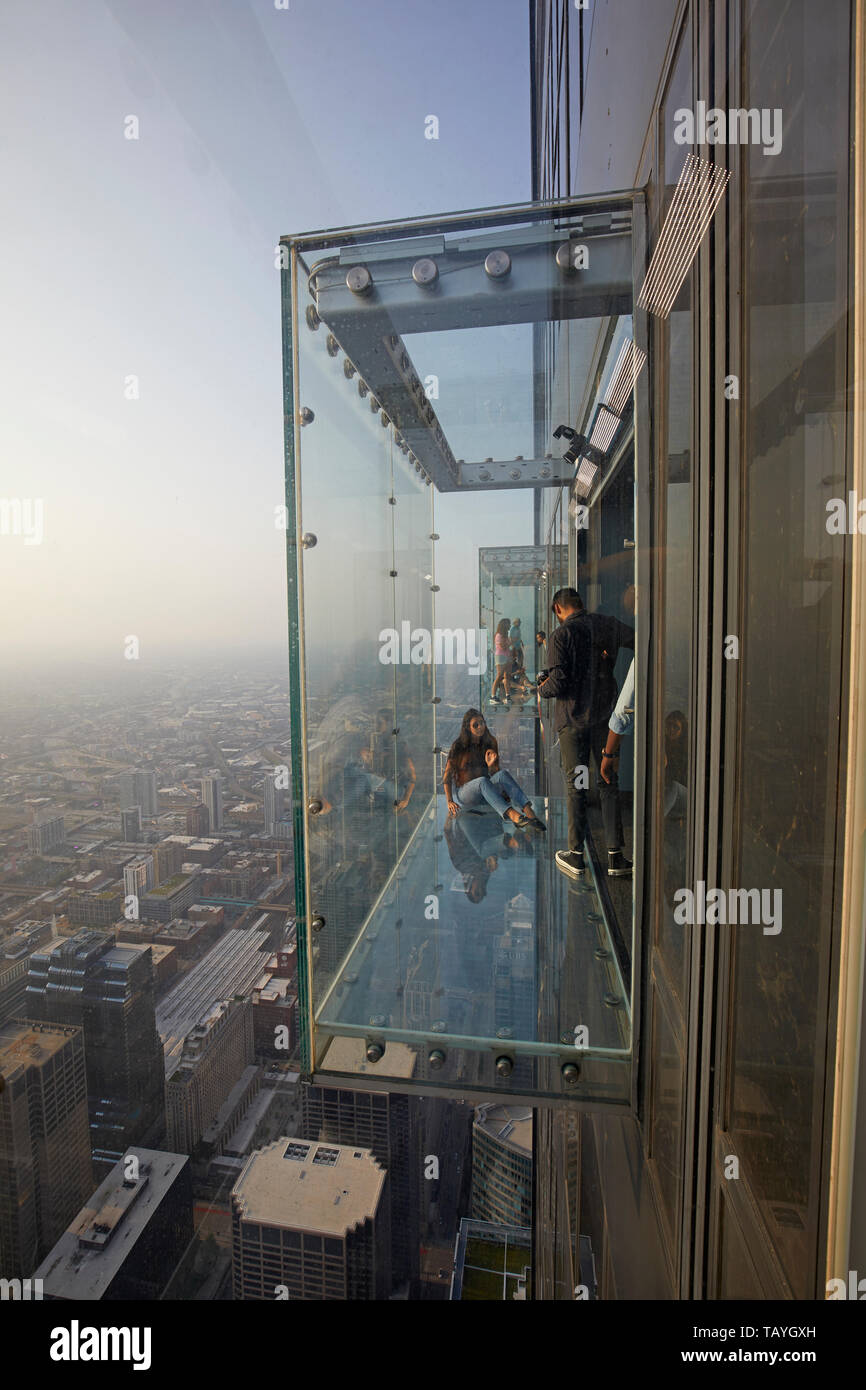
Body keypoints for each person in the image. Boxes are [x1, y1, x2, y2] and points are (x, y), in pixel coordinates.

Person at [537, 587, 633, 879]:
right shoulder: (607, 624)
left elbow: (560, 683)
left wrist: (541, 686)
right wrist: (609, 658)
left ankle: (576, 854)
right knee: (607, 781)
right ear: (580, 604)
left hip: (574, 723)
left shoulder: (561, 636)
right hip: (604, 720)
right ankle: (616, 856)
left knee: (576, 784)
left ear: (557, 609)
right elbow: (638, 641)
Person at [443, 709, 545, 829]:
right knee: (482, 781)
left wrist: (491, 765)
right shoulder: (458, 746)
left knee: (502, 774)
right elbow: (447, 776)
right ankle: (512, 815)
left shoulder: (490, 742)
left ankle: (530, 813)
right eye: (476, 725)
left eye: (482, 723)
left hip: (486, 789)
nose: (480, 727)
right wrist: (449, 800)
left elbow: (494, 774)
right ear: (467, 728)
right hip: (465, 793)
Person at [490, 620, 511, 704]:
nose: (509, 626)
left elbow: (507, 645)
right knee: (499, 676)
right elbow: (503, 646)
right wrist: (509, 642)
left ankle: (508, 696)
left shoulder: (505, 635)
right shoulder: (498, 635)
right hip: (500, 657)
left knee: (507, 676)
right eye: (508, 624)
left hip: (507, 656)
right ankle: (493, 696)